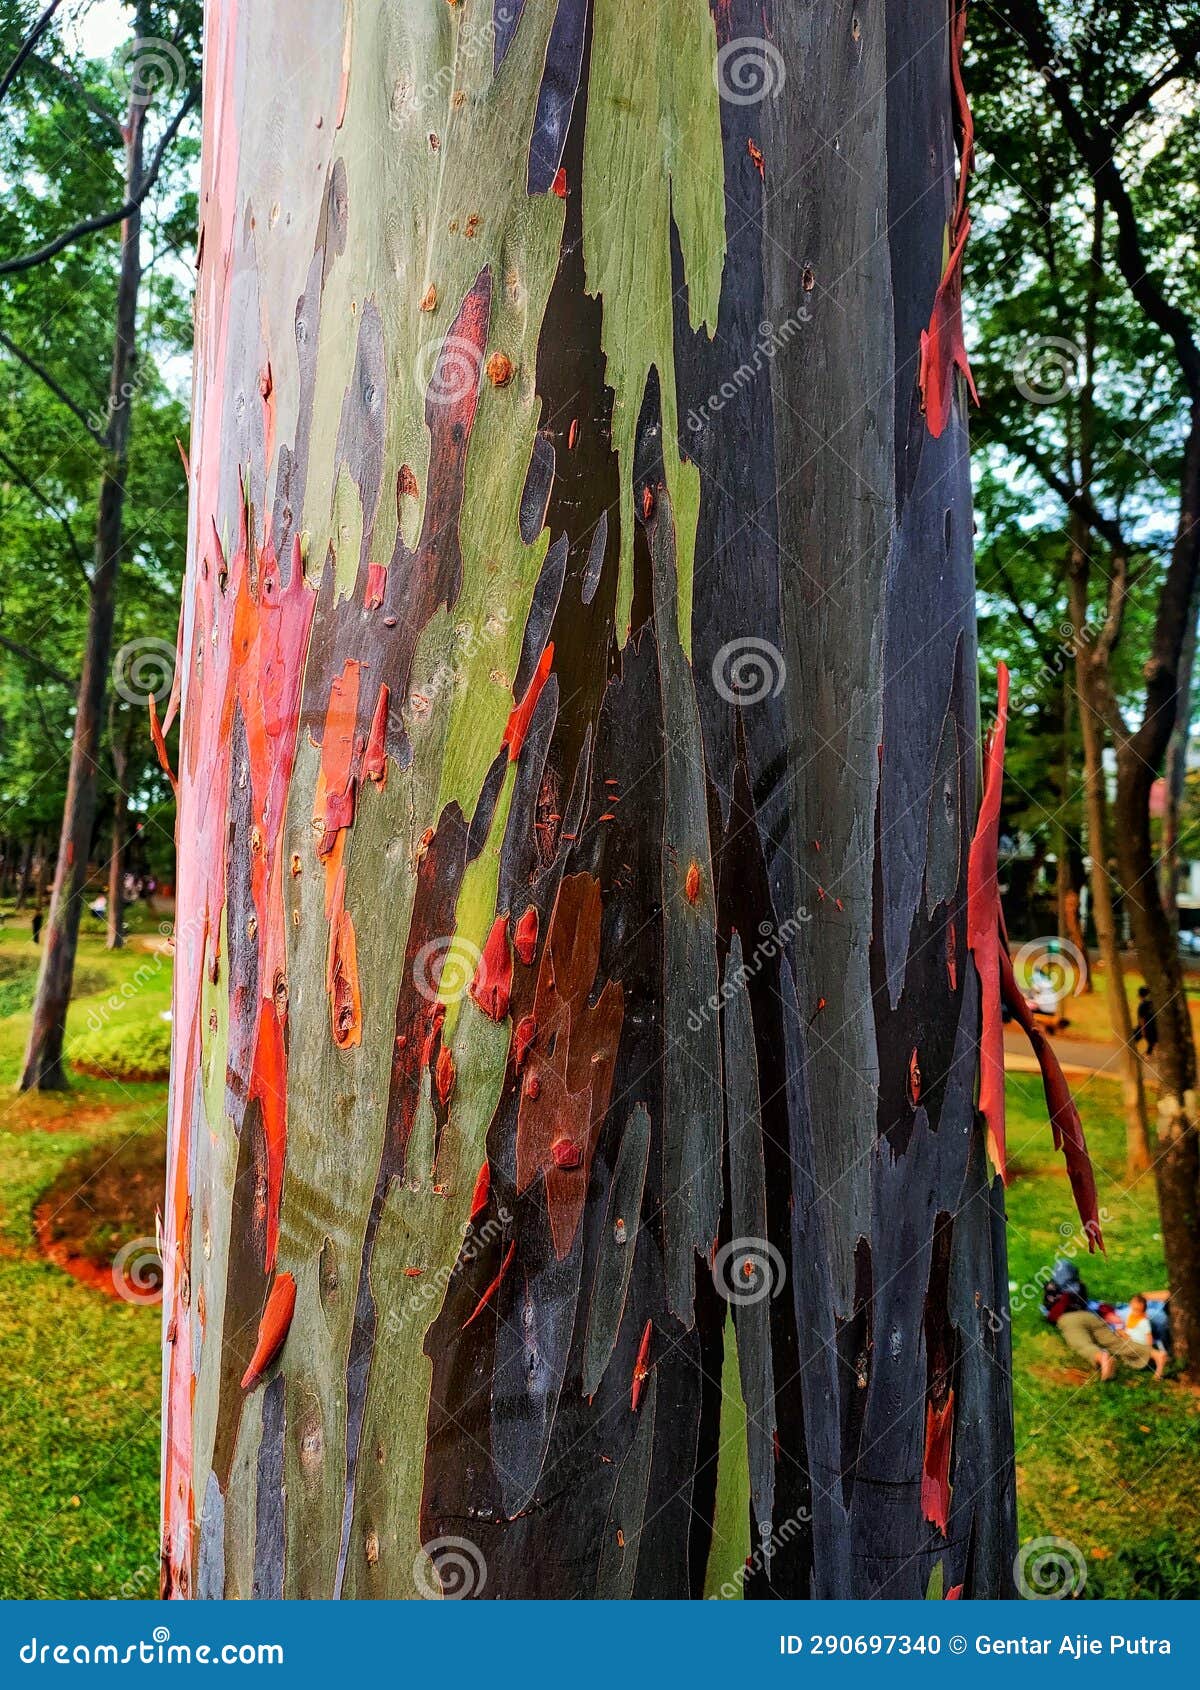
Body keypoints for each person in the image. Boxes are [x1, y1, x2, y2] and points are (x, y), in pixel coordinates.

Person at [1135, 985, 1158, 1055]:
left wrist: (1143, 1030)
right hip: (1153, 1027)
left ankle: (1148, 1055)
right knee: (1152, 1043)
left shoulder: (1142, 1005)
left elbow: (1141, 1019)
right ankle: (1149, 1054)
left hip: (1145, 1027)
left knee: (1133, 1039)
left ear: (1140, 996)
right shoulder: (1152, 1003)